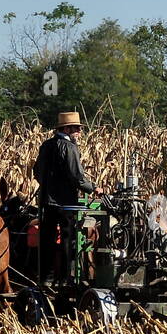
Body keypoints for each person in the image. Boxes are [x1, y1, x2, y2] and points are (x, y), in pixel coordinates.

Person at [32, 111, 103, 283]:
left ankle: (46, 278)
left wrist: (49, 186)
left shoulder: (46, 145)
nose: (79, 131)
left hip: (46, 202)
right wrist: (93, 188)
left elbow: (36, 172)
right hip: (65, 204)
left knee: (47, 240)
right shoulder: (69, 147)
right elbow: (76, 176)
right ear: (67, 128)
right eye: (77, 128)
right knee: (68, 240)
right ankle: (65, 279)